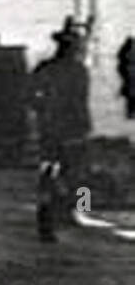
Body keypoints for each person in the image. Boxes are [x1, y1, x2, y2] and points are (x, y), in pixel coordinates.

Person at [27, 15, 93, 243]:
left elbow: (31, 97)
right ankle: (78, 211)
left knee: (48, 173)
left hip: (50, 129)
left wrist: (43, 113)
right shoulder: (79, 71)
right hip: (73, 130)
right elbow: (81, 102)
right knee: (77, 174)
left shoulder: (45, 69)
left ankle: (46, 217)